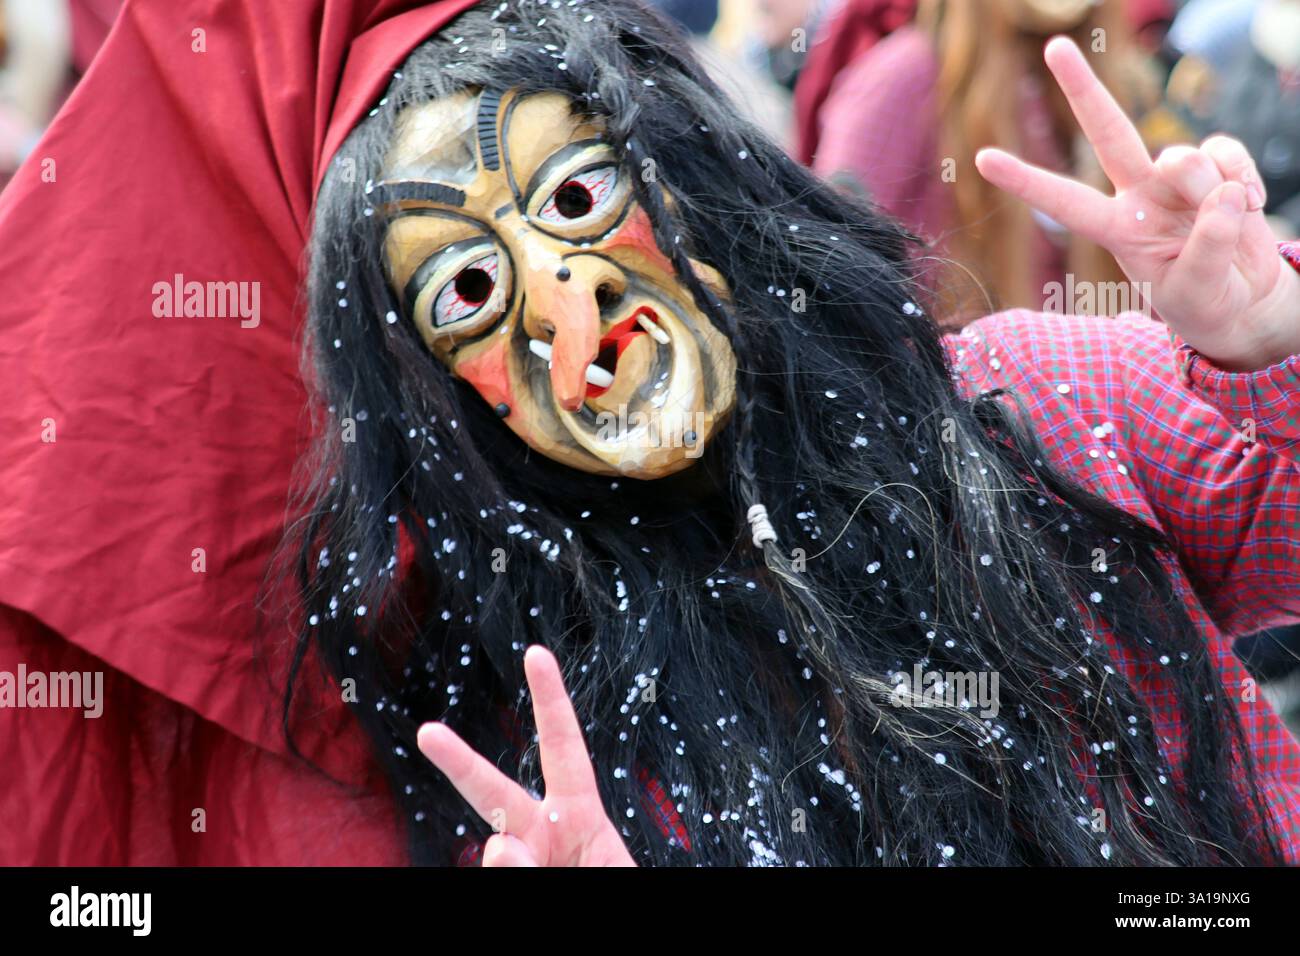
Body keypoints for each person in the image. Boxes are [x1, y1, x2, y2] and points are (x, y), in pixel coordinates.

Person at [1, 0, 1298, 867]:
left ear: (695, 178)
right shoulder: (534, 738)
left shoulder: (1039, 402)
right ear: (443, 400)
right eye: (470, 292)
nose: (579, 312)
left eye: (577, 198)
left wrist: (1262, 346)